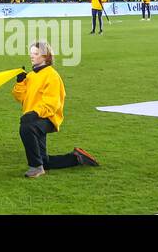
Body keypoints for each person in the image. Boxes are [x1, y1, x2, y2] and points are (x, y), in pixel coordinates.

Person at [13, 41, 98, 178]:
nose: (32, 56)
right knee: (44, 161)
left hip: (48, 118)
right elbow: (20, 97)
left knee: (26, 128)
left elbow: (52, 103)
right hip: (35, 117)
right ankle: (76, 158)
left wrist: (35, 113)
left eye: (36, 53)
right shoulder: (31, 76)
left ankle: (35, 168)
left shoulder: (52, 76)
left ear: (45, 56)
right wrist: (20, 83)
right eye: (31, 53)